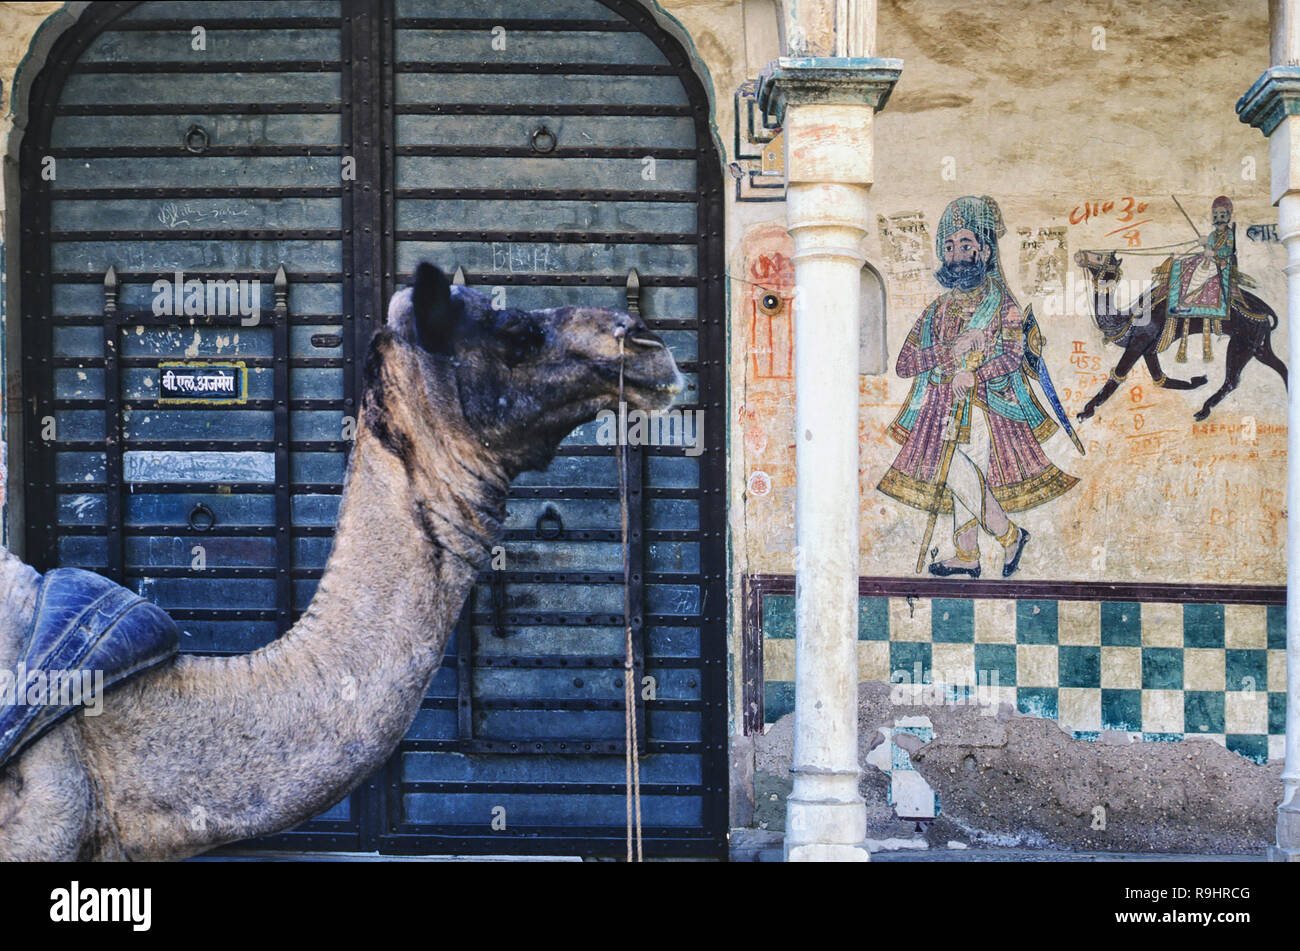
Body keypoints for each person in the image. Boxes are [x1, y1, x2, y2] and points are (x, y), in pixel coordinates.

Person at [877, 195, 1079, 578]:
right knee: (962, 478)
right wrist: (947, 350)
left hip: (986, 407)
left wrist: (975, 374)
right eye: (949, 246)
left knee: (960, 473)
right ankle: (977, 551)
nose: (956, 254)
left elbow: (1013, 356)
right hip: (940, 409)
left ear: (984, 251)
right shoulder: (936, 310)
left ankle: (1002, 540)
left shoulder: (1003, 306)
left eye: (966, 244)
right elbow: (905, 364)